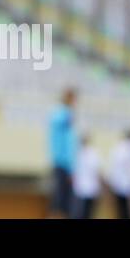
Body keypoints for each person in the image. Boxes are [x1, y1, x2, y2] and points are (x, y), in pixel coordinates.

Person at [47, 88, 78, 218]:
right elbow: (67, 143)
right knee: (59, 200)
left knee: (66, 201)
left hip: (65, 163)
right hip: (62, 162)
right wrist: (71, 167)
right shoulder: (62, 114)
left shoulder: (65, 115)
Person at [105, 129, 130, 219]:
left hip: (119, 184)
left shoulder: (119, 148)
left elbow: (113, 167)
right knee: (128, 210)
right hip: (128, 184)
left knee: (121, 209)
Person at [72, 133, 101, 218]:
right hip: (81, 189)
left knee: (86, 212)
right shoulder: (78, 152)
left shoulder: (91, 152)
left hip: (87, 188)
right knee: (82, 213)